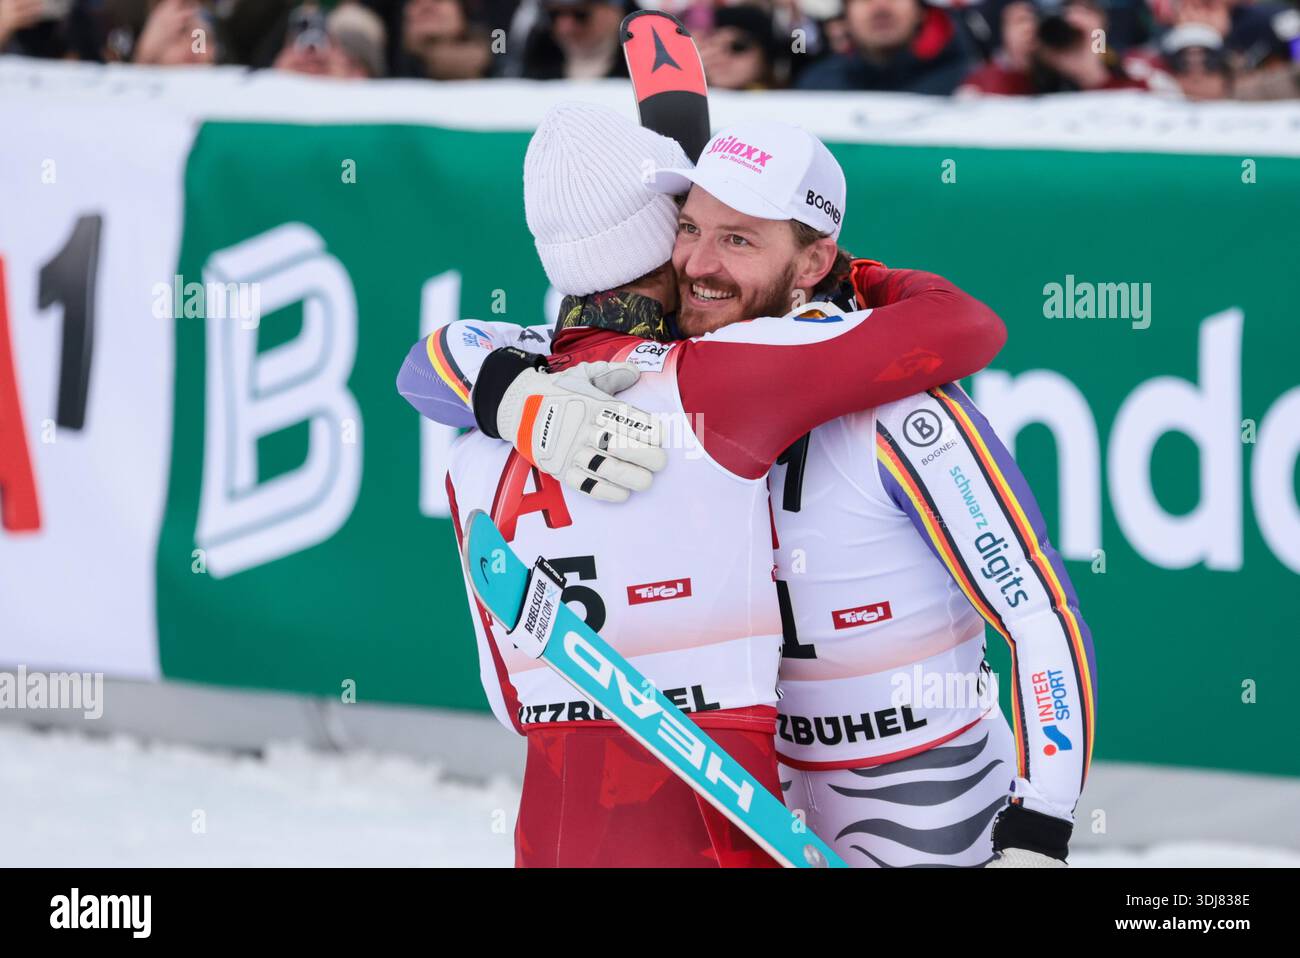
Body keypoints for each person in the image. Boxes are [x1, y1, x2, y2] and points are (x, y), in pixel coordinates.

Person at [415, 117, 1096, 867]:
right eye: (687, 228)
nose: (699, 266)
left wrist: (1041, 827)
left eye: (738, 240)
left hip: (936, 801)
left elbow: (1039, 612)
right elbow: (440, 353)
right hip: (760, 808)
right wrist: (509, 397)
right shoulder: (643, 373)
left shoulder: (902, 409)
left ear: (814, 261)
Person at [796, 0, 974, 95]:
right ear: (845, 16)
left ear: (921, 11)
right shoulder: (816, 87)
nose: (881, 6)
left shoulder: (966, 85)